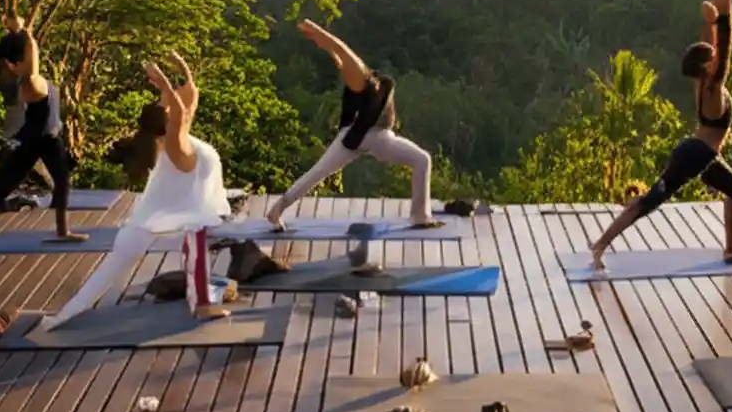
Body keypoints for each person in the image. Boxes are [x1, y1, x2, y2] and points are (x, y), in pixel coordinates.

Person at [44, 52, 231, 329]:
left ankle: (201, 303)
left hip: (161, 215)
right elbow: (180, 107)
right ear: (165, 126)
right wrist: (167, 84)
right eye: (166, 109)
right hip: (166, 215)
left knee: (193, 242)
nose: (169, 106)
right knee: (112, 270)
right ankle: (64, 316)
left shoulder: (167, 136)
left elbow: (187, 101)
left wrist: (181, 74)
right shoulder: (175, 144)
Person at [590, 0, 732, 269]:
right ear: (708, 67)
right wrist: (725, 14)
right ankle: (600, 245)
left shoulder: (701, 83)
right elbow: (724, 53)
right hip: (695, 155)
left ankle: (731, 248)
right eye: (711, 59)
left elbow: (710, 47)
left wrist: (709, 23)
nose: (715, 56)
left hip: (704, 156)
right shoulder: (712, 88)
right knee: (651, 200)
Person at [265, 19, 441, 231]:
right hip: (375, 138)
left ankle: (277, 209)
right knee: (422, 160)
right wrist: (319, 33)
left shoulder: (369, 85)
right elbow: (340, 49)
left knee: (317, 173)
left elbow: (339, 56)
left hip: (357, 137)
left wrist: (321, 41)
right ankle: (420, 216)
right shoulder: (364, 83)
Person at [0, 20, 85, 248]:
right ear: (13, 64)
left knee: (62, 181)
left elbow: (31, 57)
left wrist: (18, 31)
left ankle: (62, 231)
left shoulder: (28, 80)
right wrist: (27, 34)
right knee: (4, 185)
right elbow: (34, 61)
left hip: (49, 139)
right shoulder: (30, 83)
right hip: (33, 141)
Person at [0, 15, 55, 195]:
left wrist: (26, 34)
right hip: (14, 85)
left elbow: (32, 65)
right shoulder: (8, 81)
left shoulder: (27, 79)